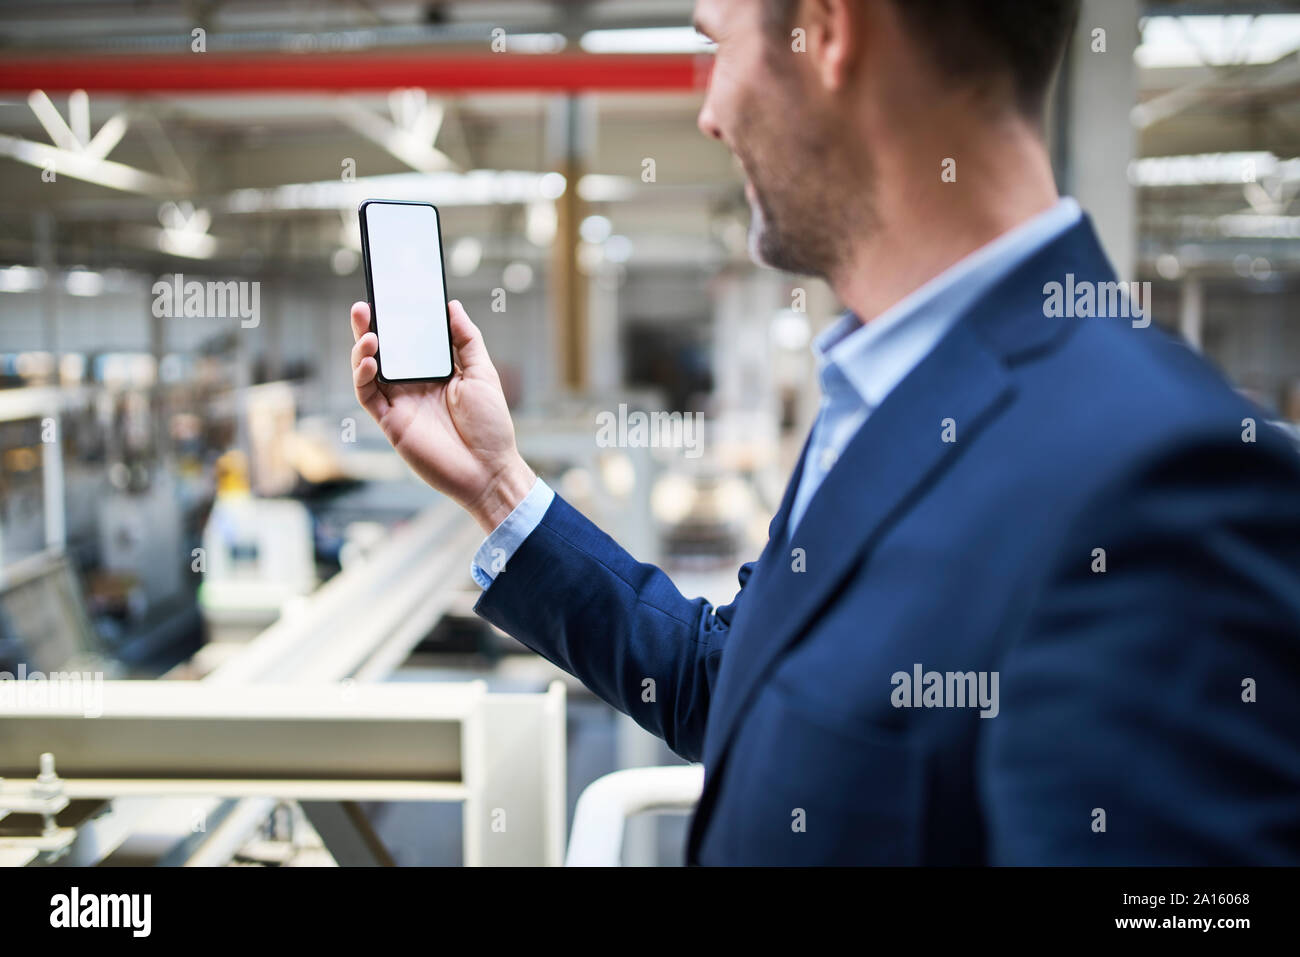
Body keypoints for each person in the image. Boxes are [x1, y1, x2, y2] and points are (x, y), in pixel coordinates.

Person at [348, 0, 1300, 864]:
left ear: (830, 32)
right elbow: (728, 691)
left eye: (715, 51)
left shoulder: (1161, 484)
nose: (710, 114)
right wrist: (496, 486)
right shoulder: (881, 397)